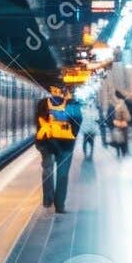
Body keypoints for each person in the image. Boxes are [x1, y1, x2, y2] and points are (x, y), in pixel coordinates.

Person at [35, 84, 81, 213]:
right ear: (67, 92)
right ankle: (60, 205)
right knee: (63, 174)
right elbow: (78, 120)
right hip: (66, 143)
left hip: (46, 142)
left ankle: (47, 200)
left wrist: (40, 140)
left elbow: (37, 123)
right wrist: (72, 134)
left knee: (47, 170)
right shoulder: (72, 104)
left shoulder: (43, 103)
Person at [109, 93, 131, 158]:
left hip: (117, 124)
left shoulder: (115, 105)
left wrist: (115, 122)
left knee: (117, 139)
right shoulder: (123, 105)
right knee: (123, 140)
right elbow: (128, 117)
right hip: (123, 125)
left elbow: (112, 116)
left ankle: (118, 153)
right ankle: (124, 153)